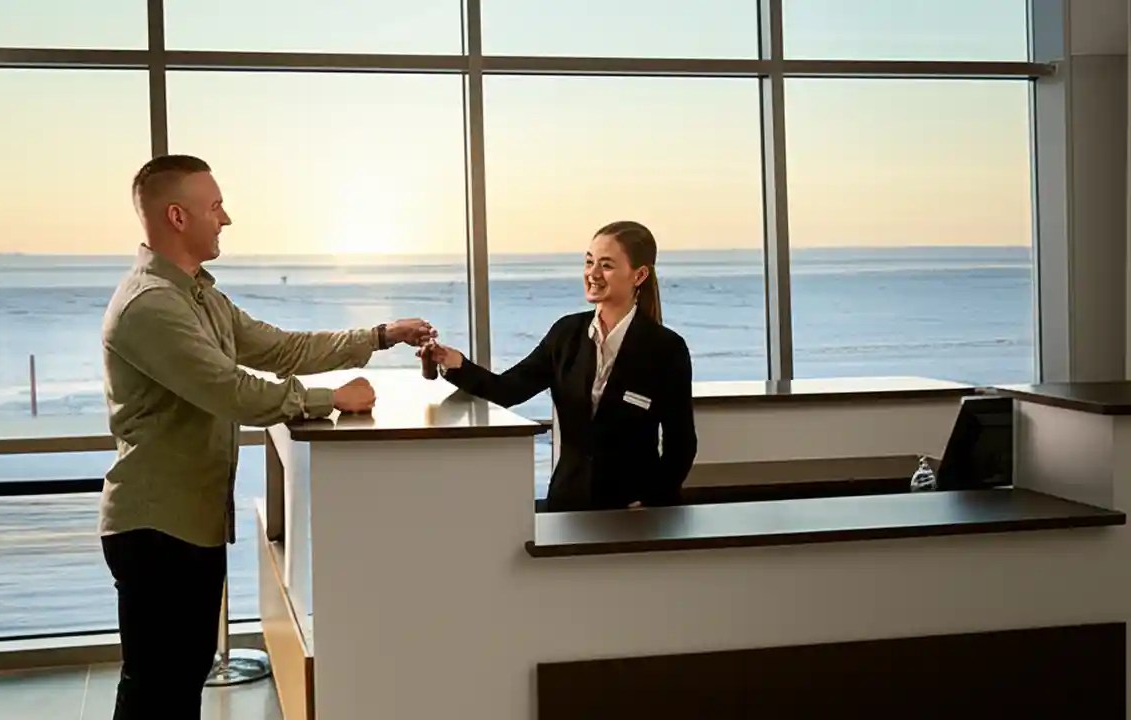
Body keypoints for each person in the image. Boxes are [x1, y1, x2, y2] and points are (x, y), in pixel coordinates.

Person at [99, 154, 434, 720]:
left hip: (187, 524)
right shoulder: (151, 305)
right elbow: (232, 391)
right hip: (156, 529)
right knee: (157, 689)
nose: (225, 218)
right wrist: (332, 400)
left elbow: (281, 349)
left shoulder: (198, 296)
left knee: (178, 683)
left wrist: (379, 336)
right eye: (215, 206)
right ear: (177, 217)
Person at [423, 220, 696, 512]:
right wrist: (455, 364)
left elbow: (681, 443)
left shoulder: (666, 349)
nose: (592, 273)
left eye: (606, 265)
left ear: (639, 275)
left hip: (635, 510)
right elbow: (508, 390)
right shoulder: (566, 335)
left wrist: (653, 502)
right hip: (568, 504)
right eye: (589, 261)